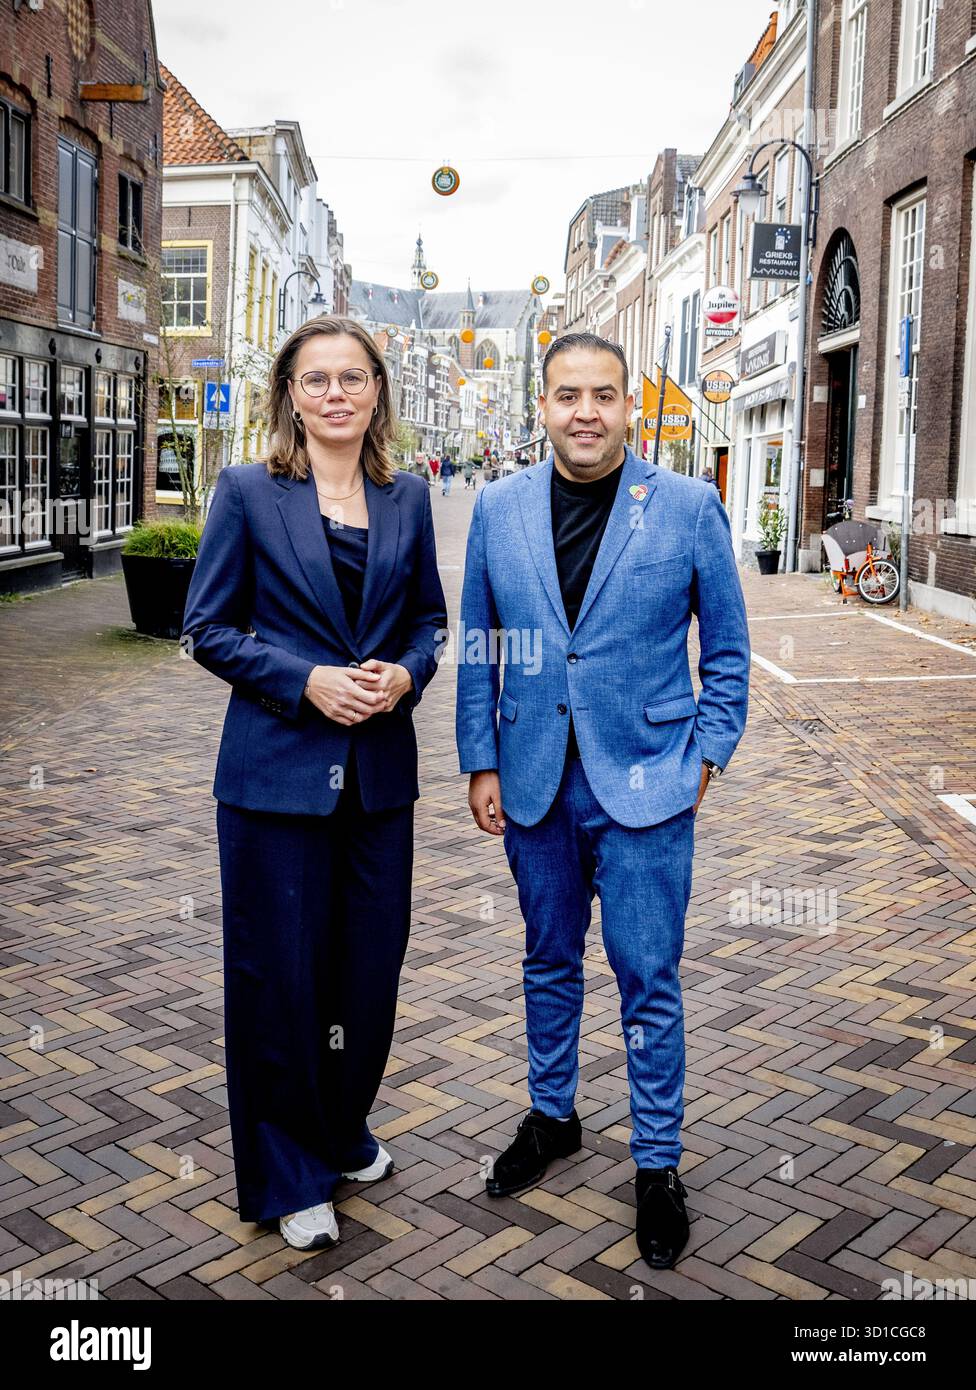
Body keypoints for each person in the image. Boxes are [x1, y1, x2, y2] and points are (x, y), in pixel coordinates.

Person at [455, 332, 750, 1271]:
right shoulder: (498, 509)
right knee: (547, 958)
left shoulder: (690, 507)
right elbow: (479, 644)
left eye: (605, 395)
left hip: (650, 780)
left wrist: (706, 755)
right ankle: (553, 1116)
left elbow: (730, 652)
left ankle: (657, 1166)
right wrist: (480, 760)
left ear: (630, 407)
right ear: (540, 406)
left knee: (647, 980)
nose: (586, 412)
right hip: (535, 776)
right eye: (568, 395)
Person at [181, 315, 448, 1253]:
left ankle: (341, 1127)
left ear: (377, 391)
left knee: (369, 973)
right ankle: (290, 1171)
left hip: (378, 780)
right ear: (291, 396)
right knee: (279, 980)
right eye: (315, 379)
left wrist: (408, 675)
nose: (335, 394)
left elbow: (429, 623)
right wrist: (306, 681)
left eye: (352, 378)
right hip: (274, 781)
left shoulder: (409, 499)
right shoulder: (249, 492)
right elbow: (206, 628)